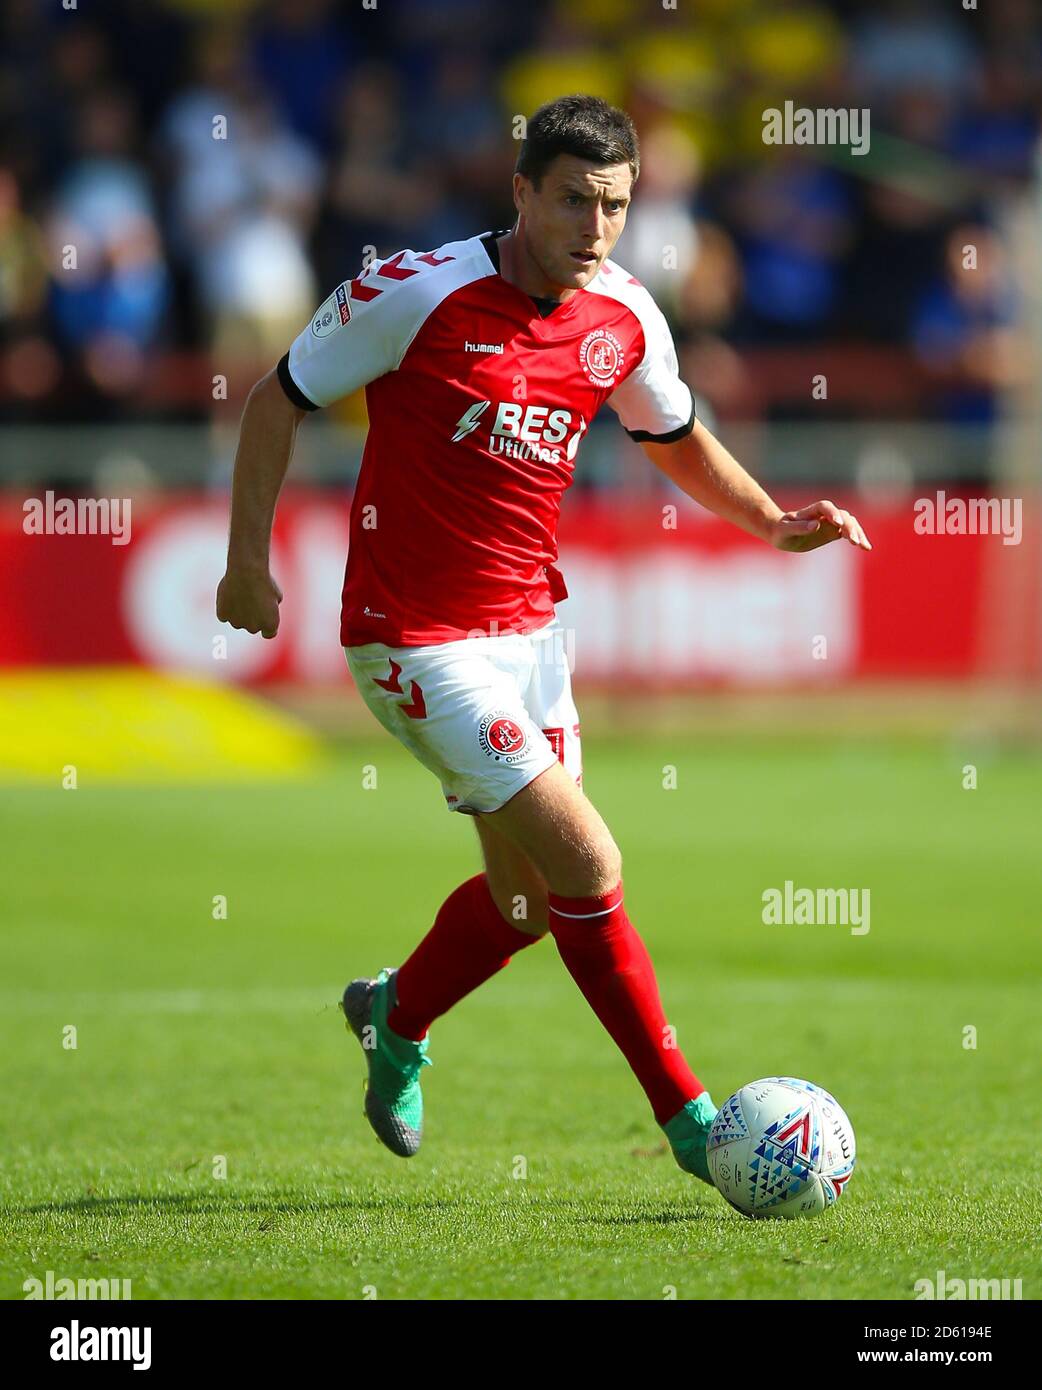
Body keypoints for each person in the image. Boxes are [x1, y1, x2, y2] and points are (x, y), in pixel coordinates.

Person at [216, 94, 871, 1184]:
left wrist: (767, 519)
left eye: (613, 205)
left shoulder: (623, 314)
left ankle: (395, 1014)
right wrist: (248, 560)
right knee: (590, 858)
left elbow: (670, 430)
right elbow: (276, 401)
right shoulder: (414, 293)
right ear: (521, 191)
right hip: (411, 640)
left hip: (530, 632)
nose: (595, 226)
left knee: (525, 905)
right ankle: (693, 1126)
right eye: (572, 199)